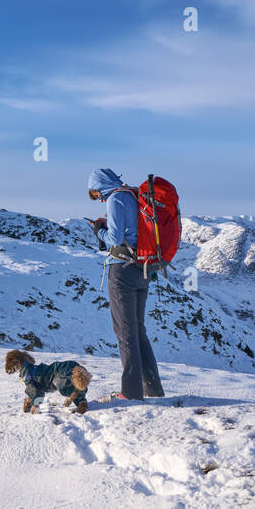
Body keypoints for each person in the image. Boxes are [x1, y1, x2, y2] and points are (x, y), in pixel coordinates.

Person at [87, 167, 165, 401]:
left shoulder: (115, 198)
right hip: (142, 269)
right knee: (138, 331)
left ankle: (131, 393)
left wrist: (99, 230)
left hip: (122, 270)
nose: (98, 199)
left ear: (101, 186)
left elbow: (114, 238)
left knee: (125, 332)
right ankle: (153, 389)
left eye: (96, 194)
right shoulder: (134, 195)